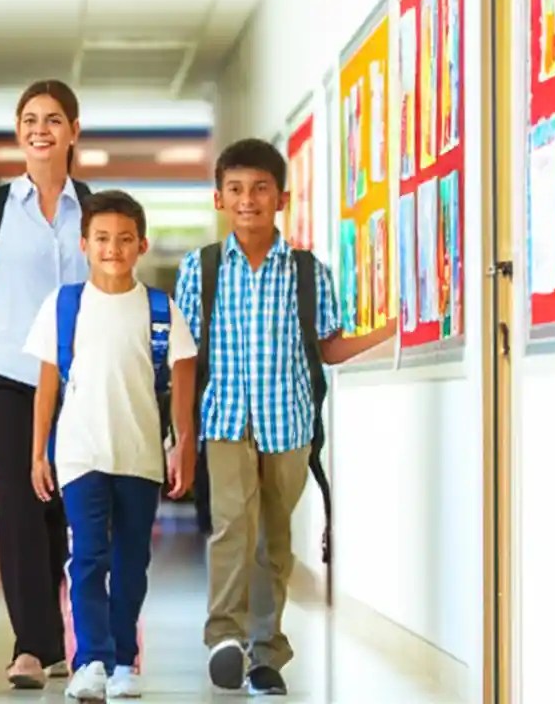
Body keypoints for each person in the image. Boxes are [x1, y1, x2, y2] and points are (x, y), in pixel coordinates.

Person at [175, 139, 396, 696]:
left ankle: (265, 654)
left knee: (274, 539)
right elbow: (184, 357)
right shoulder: (198, 269)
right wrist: (179, 435)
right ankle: (225, 637)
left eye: (260, 189)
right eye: (236, 189)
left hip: (289, 425)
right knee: (231, 527)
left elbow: (328, 347)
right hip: (224, 420)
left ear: (282, 198)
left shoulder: (306, 272)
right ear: (219, 198)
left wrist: (390, 332)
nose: (248, 199)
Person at [25, 191, 198, 700]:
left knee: (130, 563)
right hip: (80, 454)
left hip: (140, 456)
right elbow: (47, 384)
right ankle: (91, 661)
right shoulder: (64, 305)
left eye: (125, 240)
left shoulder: (161, 309)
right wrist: (39, 451)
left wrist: (182, 443)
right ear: (84, 244)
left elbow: (183, 374)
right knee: (87, 559)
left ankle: (125, 660)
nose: (113, 249)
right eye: (102, 238)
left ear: (141, 245)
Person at [0, 78, 90, 688]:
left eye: (54, 119)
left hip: (81, 377)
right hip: (6, 374)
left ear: (73, 132)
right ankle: (31, 646)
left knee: (64, 508)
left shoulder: (95, 206)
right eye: (30, 119)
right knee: (18, 510)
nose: (41, 129)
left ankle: (63, 639)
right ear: (18, 131)